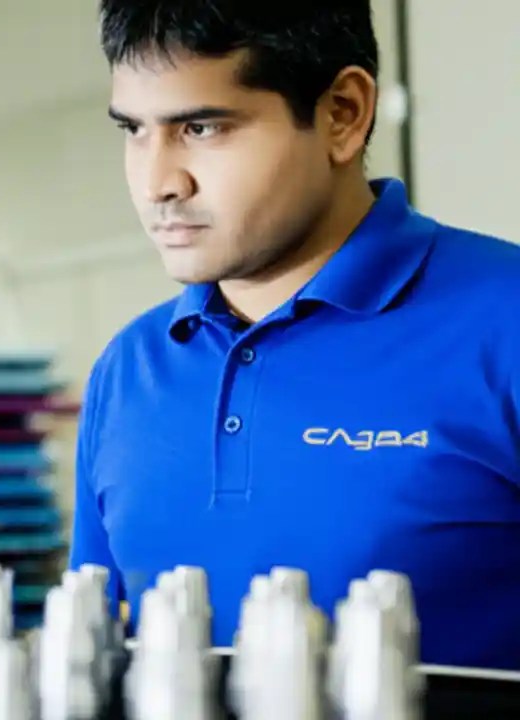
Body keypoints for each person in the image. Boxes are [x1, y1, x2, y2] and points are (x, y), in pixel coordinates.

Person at [70, 0, 520, 669]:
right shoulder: (129, 369)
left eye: (200, 127)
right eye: (134, 130)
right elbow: (100, 659)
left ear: (342, 113)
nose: (159, 183)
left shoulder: (504, 321)